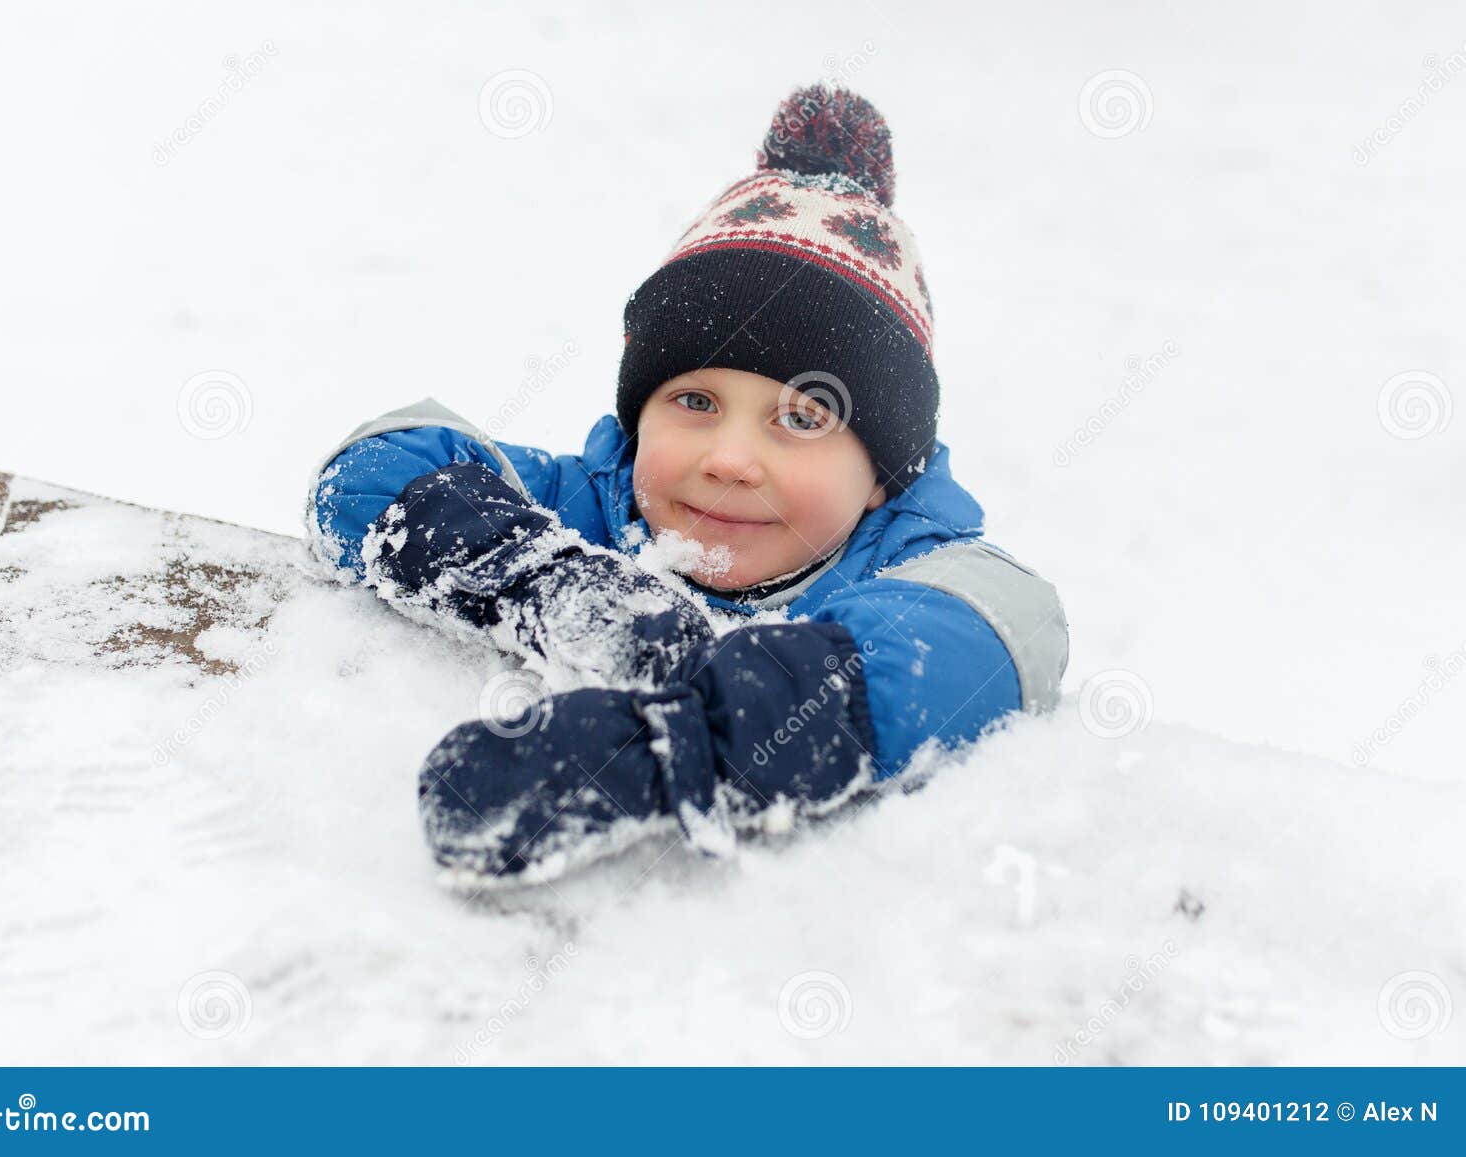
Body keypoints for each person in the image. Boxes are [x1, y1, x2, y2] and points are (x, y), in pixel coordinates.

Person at [304, 83, 1068, 885]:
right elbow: (373, 463)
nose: (731, 459)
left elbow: (1004, 629)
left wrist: (677, 741)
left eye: (801, 419)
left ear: (882, 475)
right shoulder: (591, 509)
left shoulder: (908, 573)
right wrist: (547, 582)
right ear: (640, 420)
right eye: (695, 402)